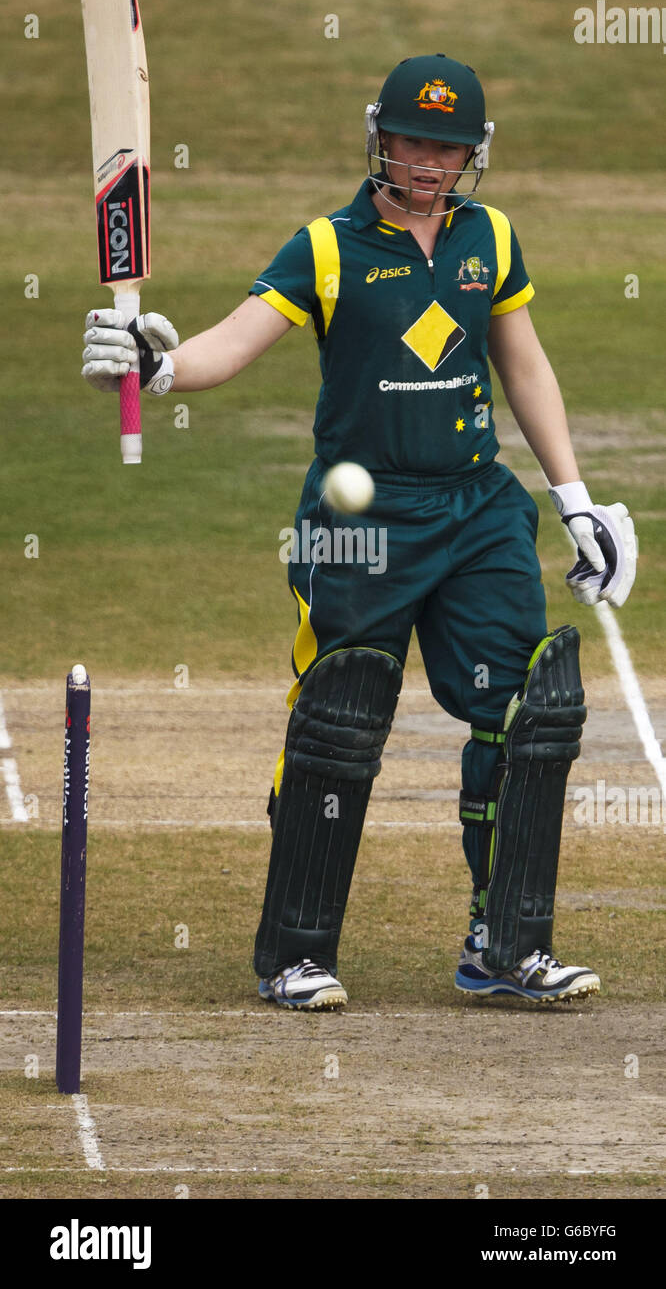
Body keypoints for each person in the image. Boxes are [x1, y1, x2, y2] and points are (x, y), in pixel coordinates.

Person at [82, 53, 637, 1011]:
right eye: (415, 142)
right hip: (360, 523)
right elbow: (234, 340)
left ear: (475, 154)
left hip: (477, 513)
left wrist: (576, 498)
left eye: (449, 147)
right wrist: (158, 366)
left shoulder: (489, 239)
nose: (430, 164)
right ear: (380, 136)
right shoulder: (328, 247)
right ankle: (296, 955)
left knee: (531, 716)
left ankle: (506, 949)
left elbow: (526, 368)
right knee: (340, 720)